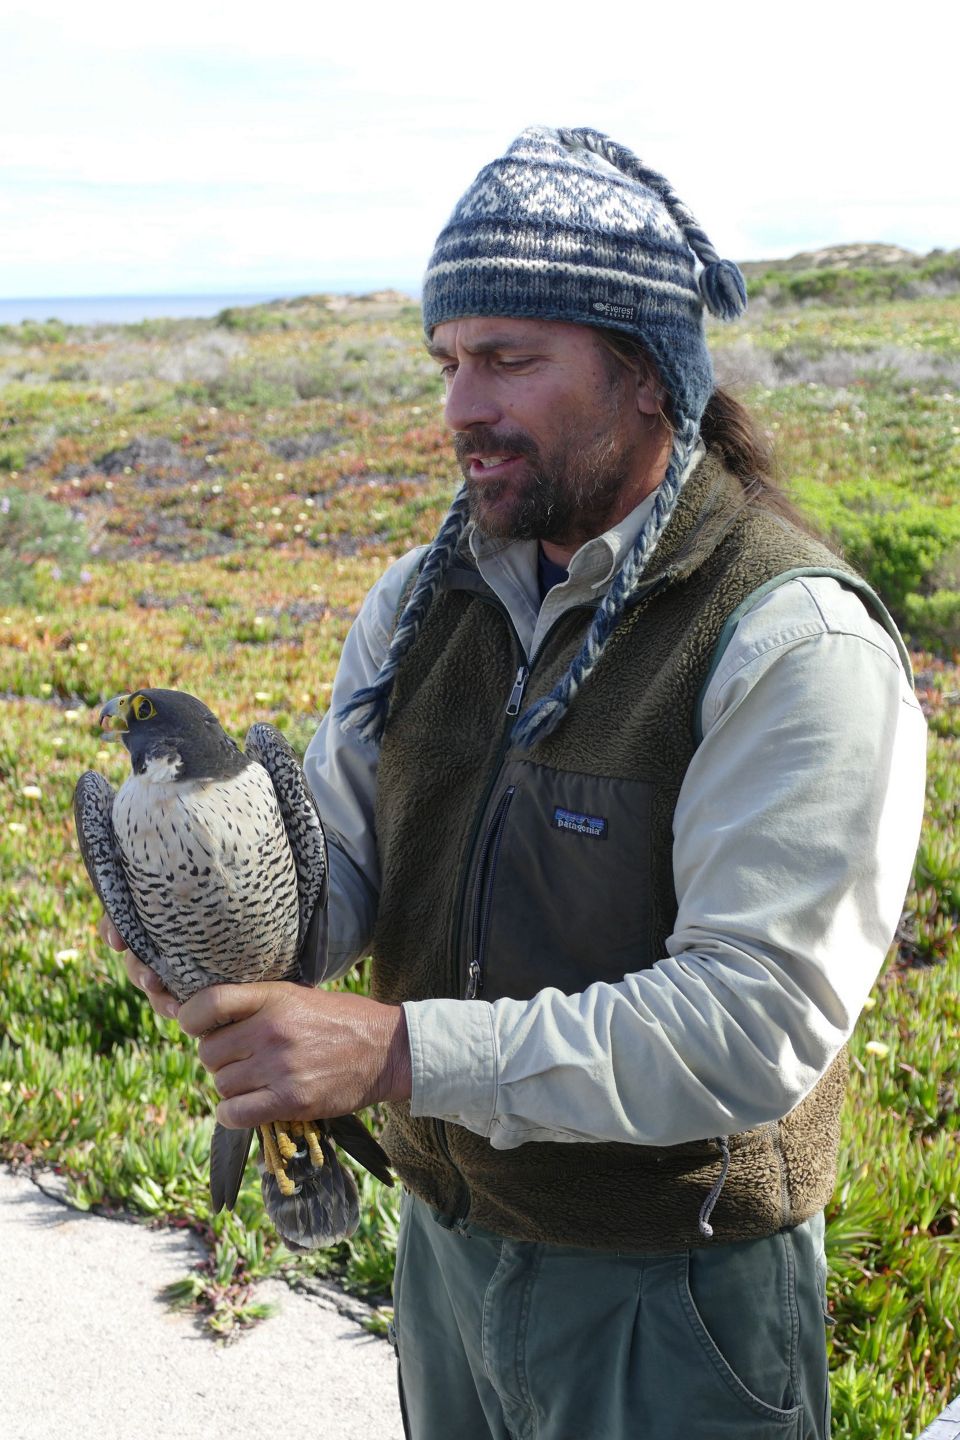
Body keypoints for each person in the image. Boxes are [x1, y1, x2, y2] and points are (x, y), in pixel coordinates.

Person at [110, 127, 927, 1438]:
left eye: (511, 358)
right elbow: (346, 867)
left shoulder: (790, 642)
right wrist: (212, 937)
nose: (460, 407)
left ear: (648, 375)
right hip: (446, 1251)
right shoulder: (421, 600)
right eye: (448, 360)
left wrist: (392, 1051)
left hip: (677, 1297)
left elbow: (750, 1028)